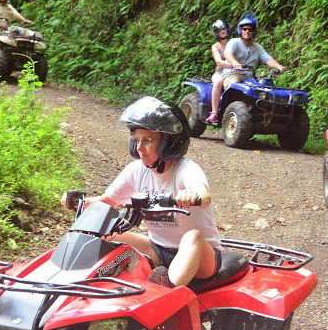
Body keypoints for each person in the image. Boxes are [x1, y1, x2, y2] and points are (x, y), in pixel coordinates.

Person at [61, 96, 222, 288]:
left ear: (168, 143)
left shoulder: (185, 169)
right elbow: (107, 201)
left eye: (147, 141)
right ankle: (78, 281)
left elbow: (203, 195)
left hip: (202, 258)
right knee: (106, 235)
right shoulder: (136, 170)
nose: (139, 148)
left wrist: (191, 196)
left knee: (193, 236)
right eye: (136, 140)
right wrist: (80, 201)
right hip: (158, 249)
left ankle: (167, 288)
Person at [222, 12, 285, 90]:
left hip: (249, 78)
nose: (247, 31)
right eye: (245, 29)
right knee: (235, 85)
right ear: (240, 30)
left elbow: (268, 59)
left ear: (253, 32)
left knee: (264, 88)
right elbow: (228, 54)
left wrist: (278, 66)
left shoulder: (257, 47)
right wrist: (235, 63)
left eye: (250, 29)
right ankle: (231, 101)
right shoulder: (234, 42)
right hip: (232, 74)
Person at [206, 19, 232, 125]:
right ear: (216, 32)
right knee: (218, 82)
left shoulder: (233, 43)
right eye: (220, 29)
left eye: (224, 28)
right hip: (220, 73)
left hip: (234, 71)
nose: (222, 31)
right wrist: (231, 63)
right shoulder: (215, 46)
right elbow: (218, 61)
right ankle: (214, 113)